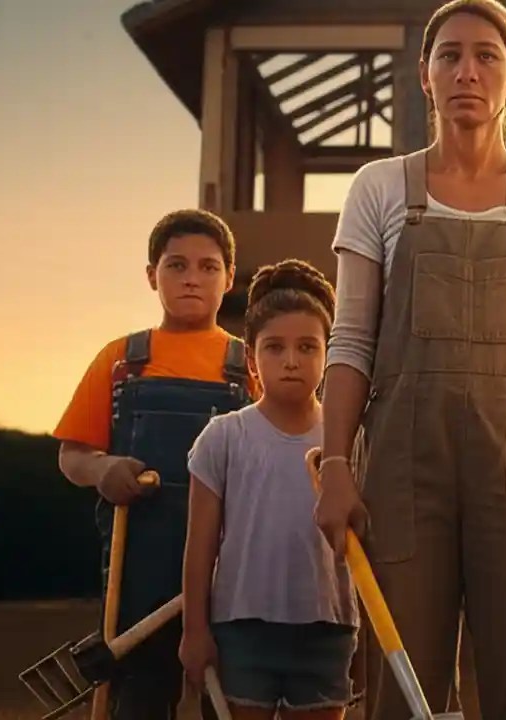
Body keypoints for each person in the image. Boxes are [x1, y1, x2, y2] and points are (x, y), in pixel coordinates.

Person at [311, 1, 506, 718]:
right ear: (424, 77)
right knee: (404, 692)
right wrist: (335, 467)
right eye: (448, 55)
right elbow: (351, 343)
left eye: (486, 55)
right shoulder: (379, 187)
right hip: (401, 474)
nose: (467, 70)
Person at [53, 209, 257, 719]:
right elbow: (72, 455)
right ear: (152, 275)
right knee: (142, 696)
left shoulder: (251, 366)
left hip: (233, 566)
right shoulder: (121, 360)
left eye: (209, 267)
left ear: (229, 278)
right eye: (177, 265)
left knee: (232, 699)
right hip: (140, 565)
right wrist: (102, 470)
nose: (192, 278)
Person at [179, 259, 359, 719]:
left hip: (326, 628)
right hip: (242, 629)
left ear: (329, 354)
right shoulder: (224, 437)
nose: (292, 360)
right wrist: (194, 631)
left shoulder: (349, 440)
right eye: (275, 347)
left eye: (307, 347)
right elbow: (199, 547)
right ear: (252, 356)